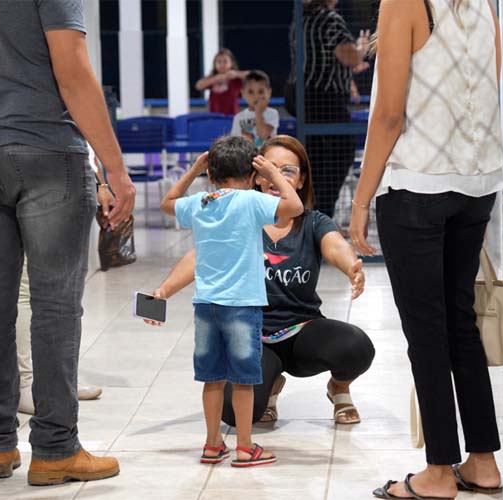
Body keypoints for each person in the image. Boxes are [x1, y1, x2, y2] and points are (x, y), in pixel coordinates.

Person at [0, 0, 136, 486]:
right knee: (54, 304)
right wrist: (115, 168)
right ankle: (55, 447)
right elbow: (73, 72)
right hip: (47, 152)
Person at [349, 1, 503, 498]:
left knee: (427, 331)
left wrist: (360, 198)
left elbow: (390, 114)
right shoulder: (485, 5)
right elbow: (487, 90)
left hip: (417, 186)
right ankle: (482, 462)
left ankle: (439, 472)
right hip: (478, 185)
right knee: (460, 322)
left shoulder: (404, 2)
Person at [150, 136, 374, 426]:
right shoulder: (242, 215)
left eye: (286, 171)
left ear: (301, 180)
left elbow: (334, 245)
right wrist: (164, 290)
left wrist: (350, 267)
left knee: (356, 347)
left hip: (302, 331)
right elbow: (199, 256)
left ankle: (339, 389)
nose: (275, 177)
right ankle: (271, 384)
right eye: (268, 168)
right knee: (233, 412)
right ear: (255, 176)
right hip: (255, 336)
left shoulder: (313, 221)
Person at [159, 137, 304, 467]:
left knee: (212, 379)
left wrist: (193, 169)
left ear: (211, 174)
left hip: (205, 306)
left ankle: (212, 444)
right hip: (242, 306)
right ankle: (244, 446)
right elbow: (294, 207)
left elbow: (168, 203)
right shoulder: (252, 201)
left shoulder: (201, 202)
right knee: (243, 381)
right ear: (252, 174)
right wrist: (273, 174)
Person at [16, 149, 109, 413]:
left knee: (67, 291)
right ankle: (26, 382)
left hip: (74, 180)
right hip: (34, 178)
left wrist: (101, 183)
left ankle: (61, 380)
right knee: (26, 288)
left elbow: (88, 139)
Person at [288, 0, 370, 217]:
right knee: (340, 153)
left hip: (301, 97)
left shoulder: (300, 20)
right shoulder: (329, 19)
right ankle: (321, 214)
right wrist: (362, 48)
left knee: (315, 160)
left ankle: (308, 215)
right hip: (324, 98)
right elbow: (348, 56)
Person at [231, 70, 280, 148]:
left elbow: (263, 135)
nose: (256, 96)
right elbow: (234, 143)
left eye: (261, 92)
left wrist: (258, 112)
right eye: (251, 92)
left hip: (266, 157)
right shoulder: (238, 117)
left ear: (269, 92)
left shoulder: (272, 113)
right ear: (243, 93)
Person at [195, 49, 250, 116]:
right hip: (214, 118)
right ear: (214, 64)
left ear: (231, 63)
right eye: (219, 62)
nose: (222, 64)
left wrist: (237, 74)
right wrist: (215, 79)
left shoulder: (236, 79)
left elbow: (253, 76)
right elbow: (198, 86)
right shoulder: (212, 78)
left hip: (231, 117)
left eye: (225, 61)